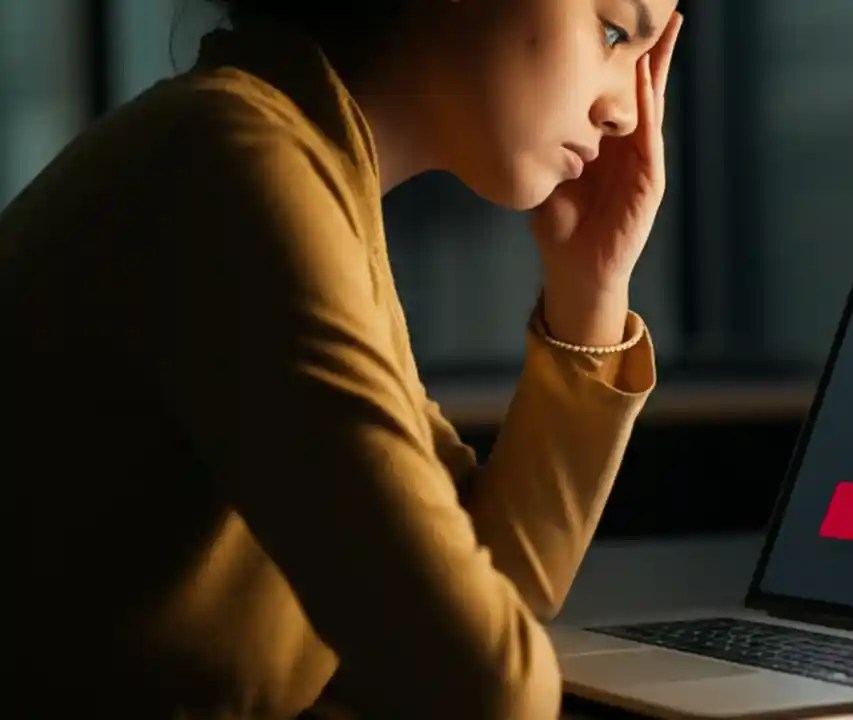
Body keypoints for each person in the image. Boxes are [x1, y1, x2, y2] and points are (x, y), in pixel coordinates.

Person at [0, 0, 681, 717]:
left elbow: (489, 586)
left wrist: (590, 287)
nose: (628, 116)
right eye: (612, 31)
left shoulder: (301, 167)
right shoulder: (234, 162)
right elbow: (478, 679)